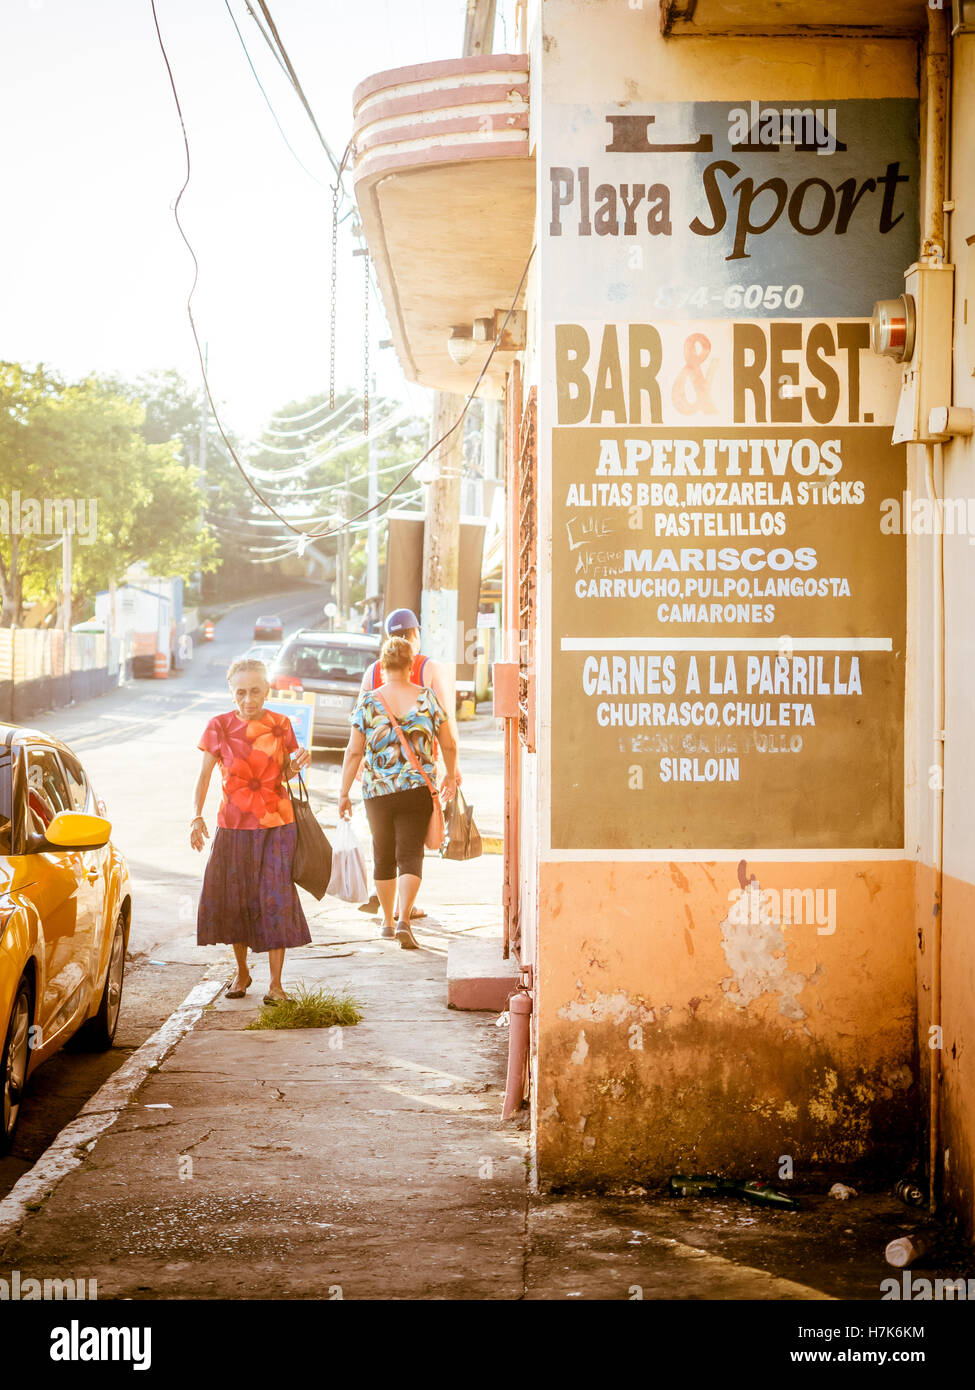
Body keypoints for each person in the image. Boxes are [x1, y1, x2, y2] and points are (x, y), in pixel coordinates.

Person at [191, 657, 312, 1002]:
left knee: (276, 899)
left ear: (267, 690)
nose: (249, 699)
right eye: (241, 692)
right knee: (235, 902)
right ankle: (242, 974)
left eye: (255, 691)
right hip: (233, 828)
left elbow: (285, 773)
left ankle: (276, 985)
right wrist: (195, 816)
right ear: (232, 693)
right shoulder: (218, 727)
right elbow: (203, 777)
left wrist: (301, 763)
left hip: (277, 826)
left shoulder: (280, 724)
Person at [339, 635, 458, 948]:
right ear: (410, 665)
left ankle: (387, 922)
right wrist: (449, 775)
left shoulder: (368, 702)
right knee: (410, 854)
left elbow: (353, 752)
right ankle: (405, 918)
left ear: (382, 666)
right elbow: (449, 743)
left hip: (378, 791)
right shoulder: (428, 699)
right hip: (417, 789)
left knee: (383, 853)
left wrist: (343, 792)